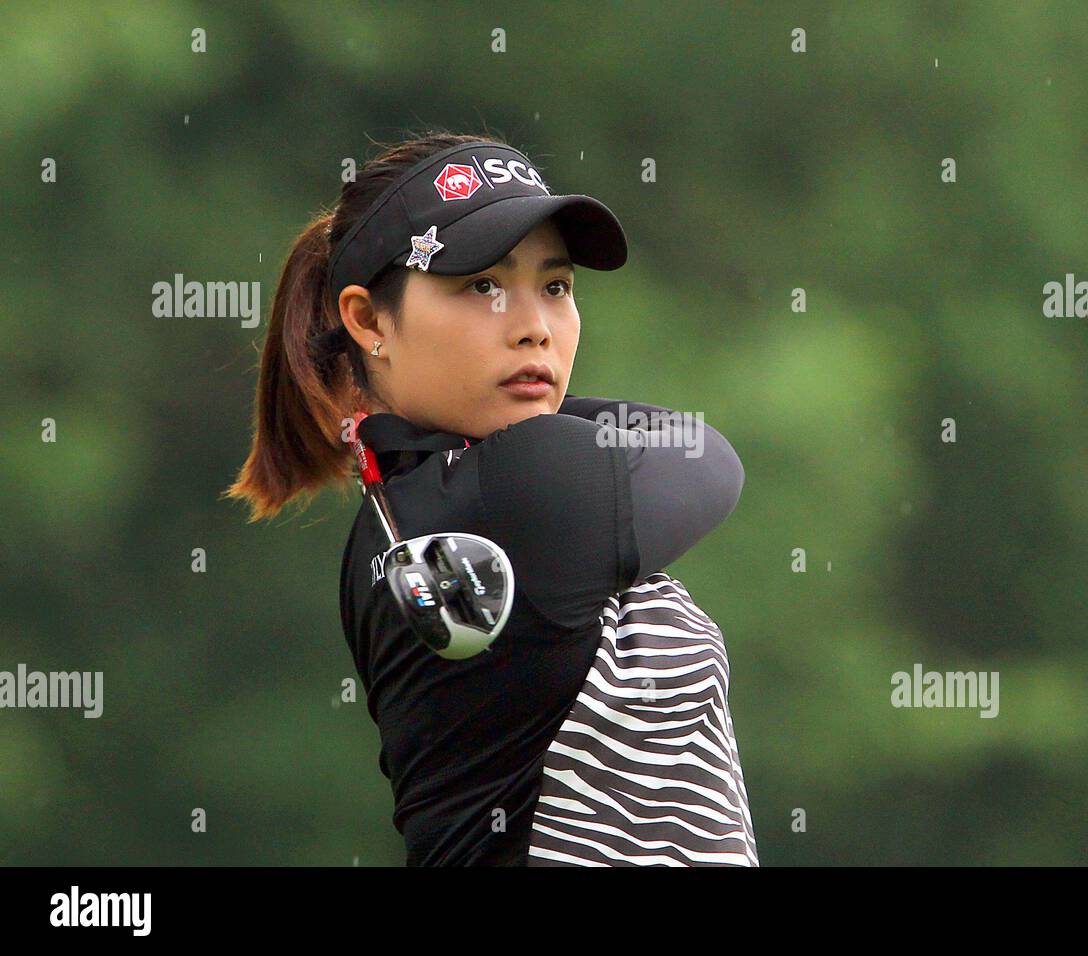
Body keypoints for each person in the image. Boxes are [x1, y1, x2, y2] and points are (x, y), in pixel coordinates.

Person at [225, 130, 758, 866]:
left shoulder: (397, 514)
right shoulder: (522, 491)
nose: (536, 328)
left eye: (556, 287)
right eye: (482, 285)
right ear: (369, 320)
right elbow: (709, 457)